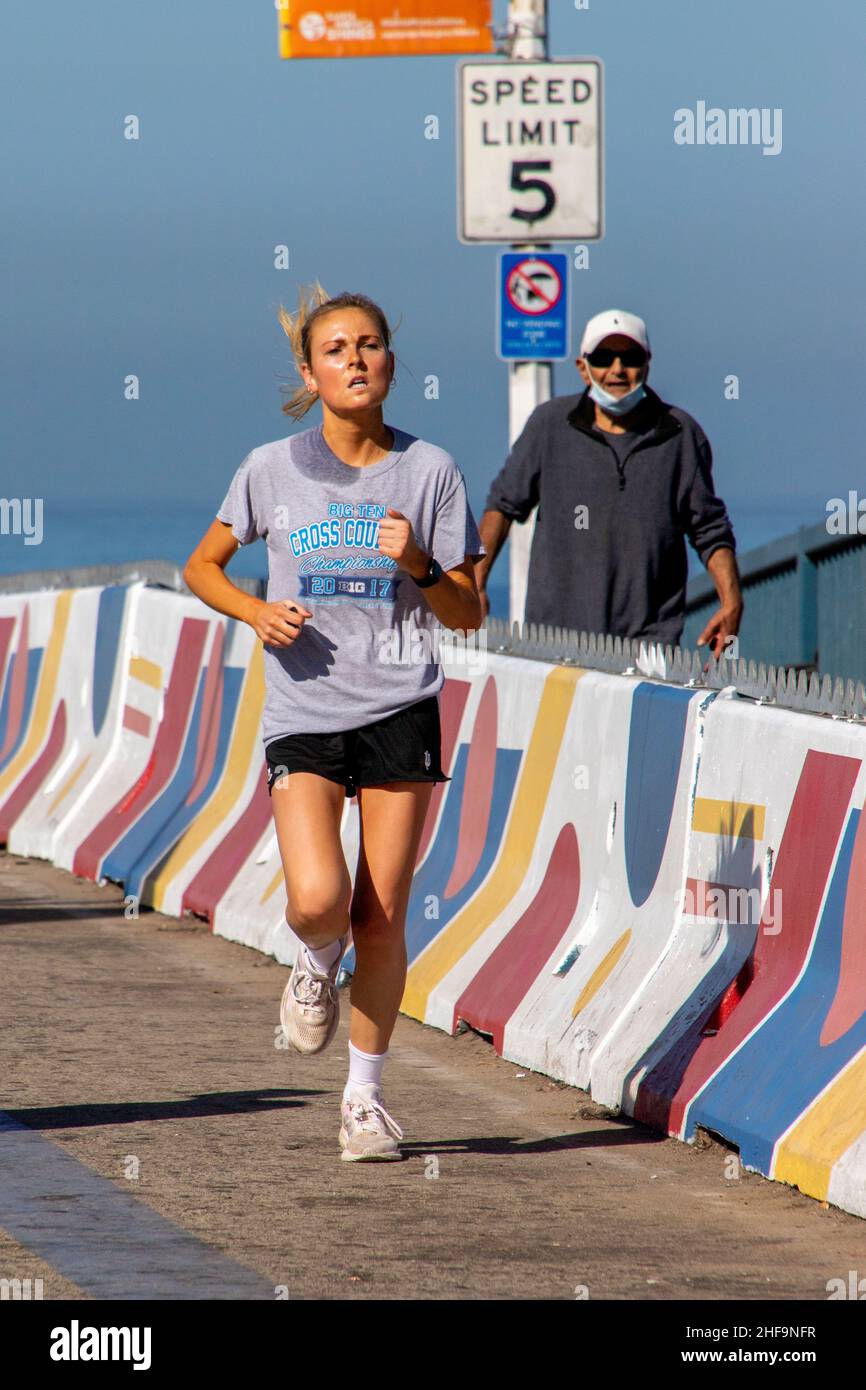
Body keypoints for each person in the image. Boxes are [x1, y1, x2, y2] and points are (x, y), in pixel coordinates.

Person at [183, 284, 485, 1161]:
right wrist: (252, 610)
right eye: (336, 349)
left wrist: (421, 561)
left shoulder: (430, 472)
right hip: (304, 710)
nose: (356, 359)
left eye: (370, 345)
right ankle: (312, 965)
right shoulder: (269, 469)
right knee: (320, 901)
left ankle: (364, 1101)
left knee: (381, 917)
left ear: (391, 362)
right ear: (309, 374)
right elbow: (202, 565)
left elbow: (468, 614)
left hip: (400, 706)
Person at [476, 309, 743, 656]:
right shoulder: (550, 426)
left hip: (650, 645)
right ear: (582, 368)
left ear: (647, 363)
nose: (617, 369)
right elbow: (502, 504)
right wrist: (475, 583)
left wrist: (732, 599)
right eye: (603, 357)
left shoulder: (681, 434)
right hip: (555, 645)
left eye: (629, 357)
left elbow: (709, 528)